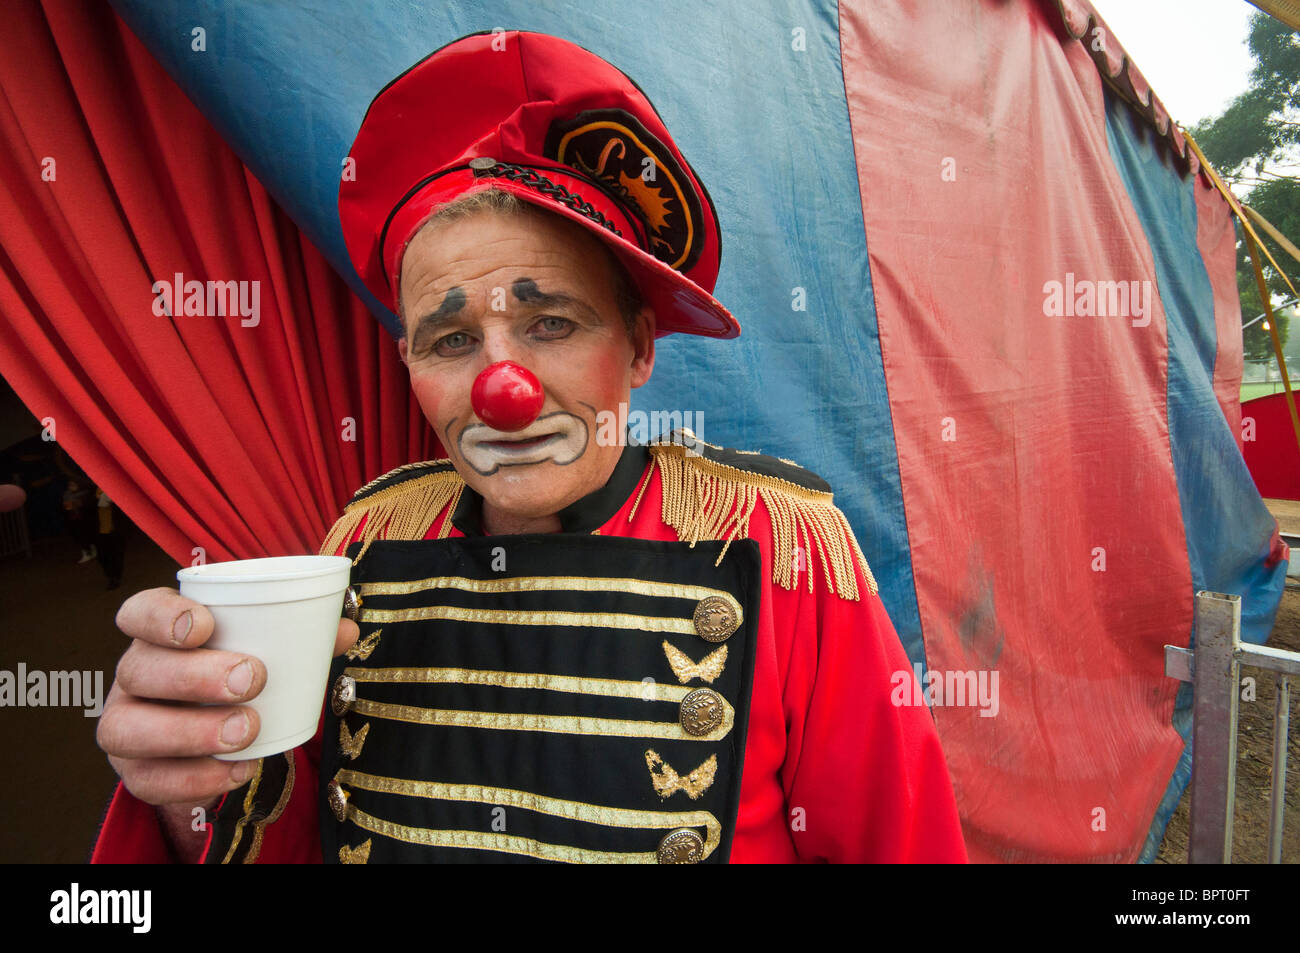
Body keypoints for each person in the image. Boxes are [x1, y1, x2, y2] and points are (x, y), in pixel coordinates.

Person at [92, 31, 966, 864]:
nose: (500, 391)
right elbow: (286, 835)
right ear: (409, 364)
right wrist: (187, 791)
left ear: (636, 350)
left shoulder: (782, 548)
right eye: (450, 340)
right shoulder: (364, 544)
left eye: (551, 322)